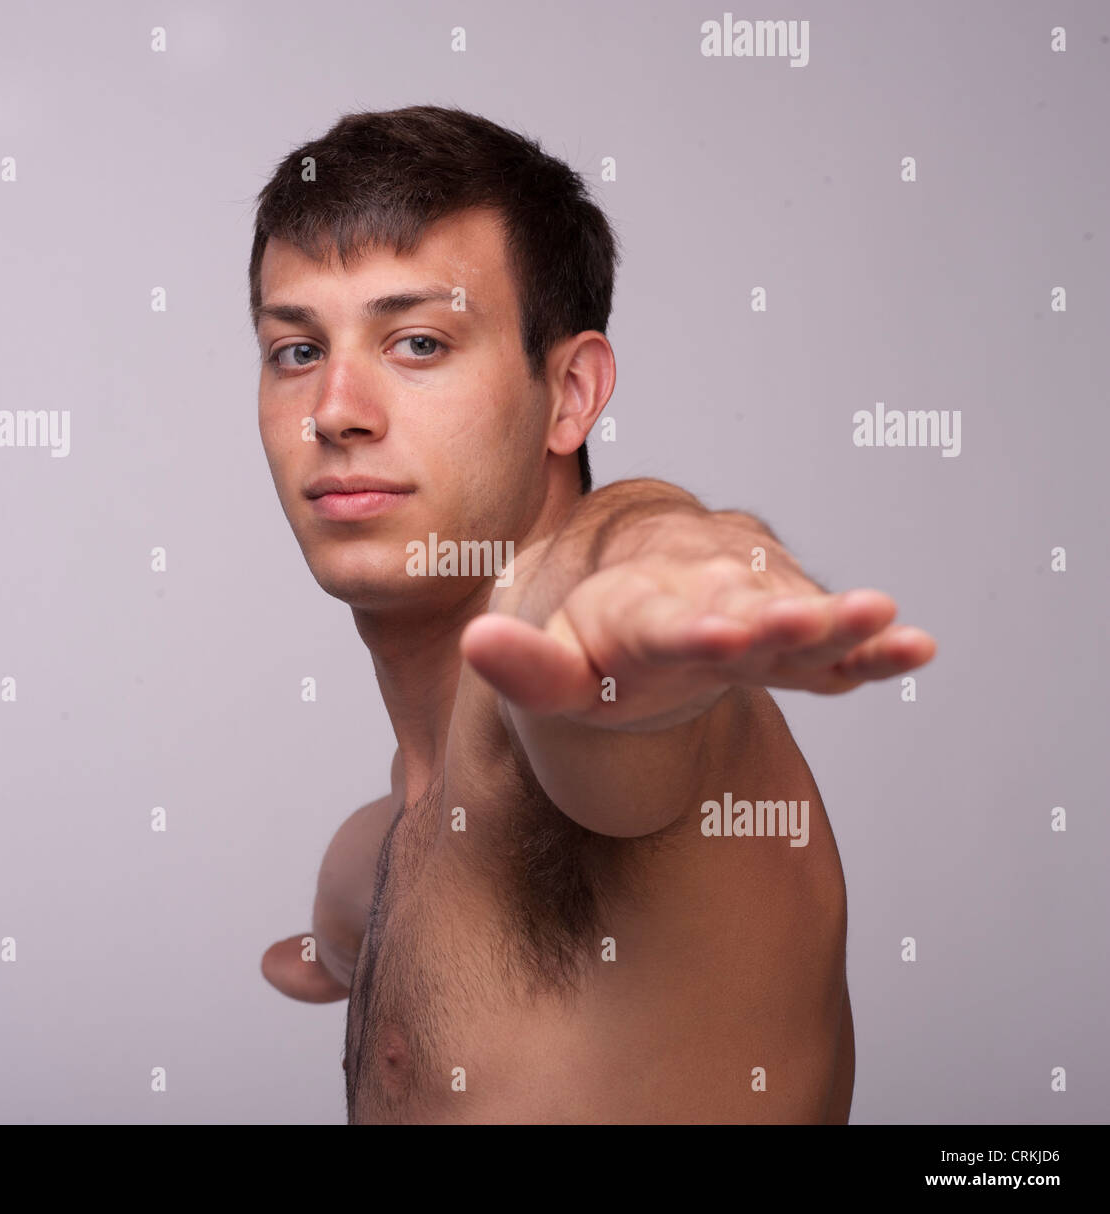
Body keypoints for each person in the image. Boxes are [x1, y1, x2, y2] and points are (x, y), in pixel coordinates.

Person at [252, 105, 936, 1123]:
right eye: (296, 350)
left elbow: (601, 575)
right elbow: (375, 889)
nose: (336, 409)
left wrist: (663, 575)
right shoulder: (388, 839)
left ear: (570, 393)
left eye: (419, 342)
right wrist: (337, 947)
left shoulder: (630, 726)